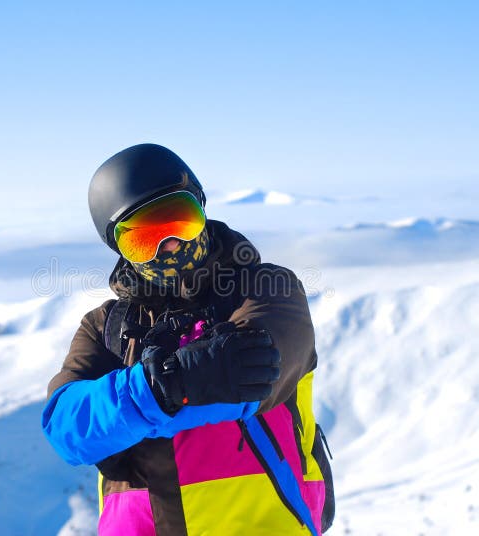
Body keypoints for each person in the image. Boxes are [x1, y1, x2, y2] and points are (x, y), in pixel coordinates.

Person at [42, 143, 334, 535]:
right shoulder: (106, 328)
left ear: (202, 209)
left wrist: (130, 411)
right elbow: (66, 430)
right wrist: (157, 389)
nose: (170, 245)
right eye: (143, 238)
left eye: (179, 220)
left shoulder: (266, 289)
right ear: (121, 252)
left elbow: (251, 373)